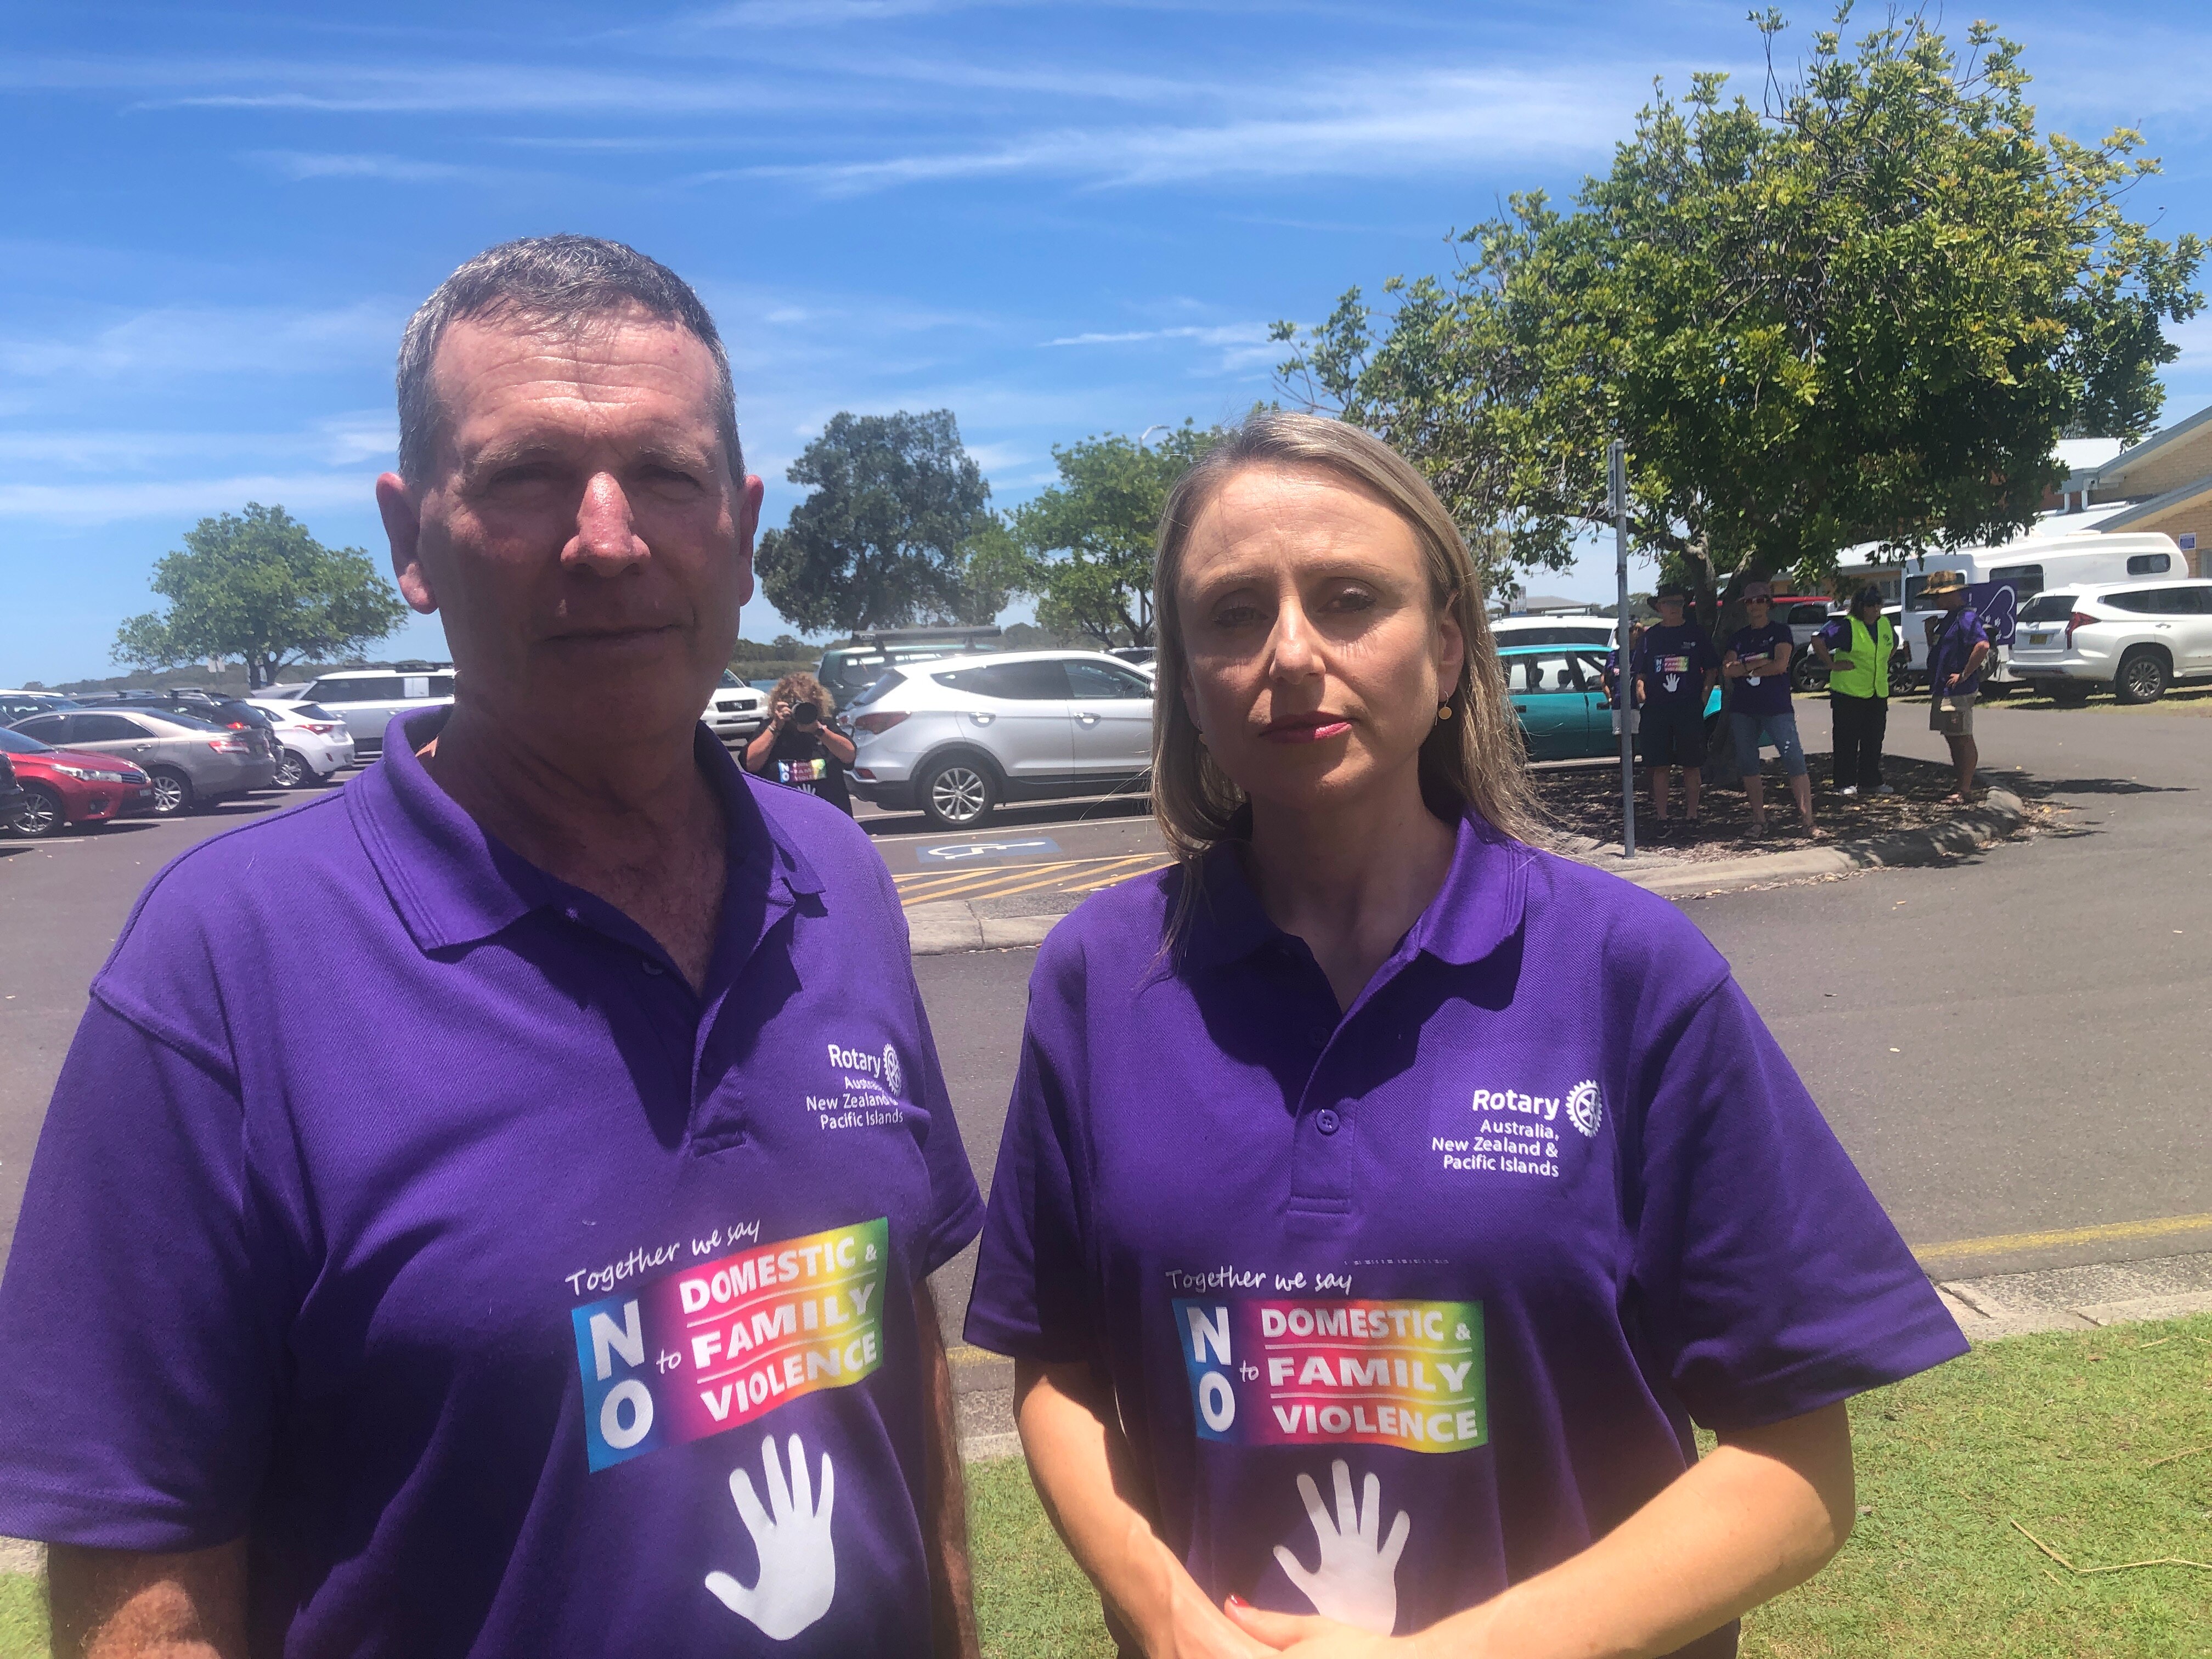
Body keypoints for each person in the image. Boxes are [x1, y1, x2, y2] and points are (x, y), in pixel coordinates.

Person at [0, 237, 984, 1657]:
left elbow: (900, 1355)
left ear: (744, 524)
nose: (608, 534)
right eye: (525, 476)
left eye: (666, 473)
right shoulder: (227, 969)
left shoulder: (832, 871)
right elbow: (141, 1591)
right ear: (410, 537)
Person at [963, 413, 1964, 1659]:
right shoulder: (1101, 978)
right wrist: (1166, 1617)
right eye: (1232, 612)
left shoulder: (1631, 971)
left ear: (1446, 652)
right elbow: (1057, 1370)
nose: (1290, 653)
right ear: (1187, 673)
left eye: (1347, 599)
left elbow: (1799, 1466)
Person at [1723, 583, 1818, 837]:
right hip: (1744, 709)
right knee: (1748, 763)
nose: (1754, 606)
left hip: (1776, 708)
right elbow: (1728, 669)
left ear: (1769, 603)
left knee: (1794, 759)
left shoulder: (1780, 631)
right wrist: (1757, 662)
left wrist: (1745, 667)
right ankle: (1759, 820)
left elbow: (1781, 665)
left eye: (1759, 601)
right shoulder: (1739, 637)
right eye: (1749, 602)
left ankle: (1809, 822)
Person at [1633, 584, 1720, 830]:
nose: (1675, 608)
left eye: (1679, 603)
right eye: (1669, 604)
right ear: (1659, 607)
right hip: (1657, 710)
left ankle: (1692, 816)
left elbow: (1712, 669)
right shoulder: (1650, 637)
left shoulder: (1696, 634)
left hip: (1688, 707)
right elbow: (1640, 672)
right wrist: (1641, 690)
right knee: (1659, 765)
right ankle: (1663, 817)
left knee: (1691, 764)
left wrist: (1703, 699)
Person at [1811, 586, 1897, 798]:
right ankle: (1844, 782)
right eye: (1871, 605)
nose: (1876, 609)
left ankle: (1871, 781)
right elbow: (1818, 640)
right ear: (1860, 606)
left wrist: (1883, 662)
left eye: (1879, 605)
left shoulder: (1885, 623)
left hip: (1877, 692)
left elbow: (1893, 644)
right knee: (1846, 739)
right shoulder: (1846, 626)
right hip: (1848, 692)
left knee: (1874, 738)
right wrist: (1832, 665)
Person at [1921, 569, 1991, 801]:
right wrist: (1930, 632)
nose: (1935, 601)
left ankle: (1965, 789)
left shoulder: (1966, 617)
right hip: (1944, 688)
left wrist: (1964, 674)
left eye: (1937, 596)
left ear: (1951, 594)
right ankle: (1960, 784)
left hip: (1958, 690)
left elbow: (1982, 645)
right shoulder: (1949, 619)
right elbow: (1940, 650)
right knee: (1952, 736)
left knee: (1962, 737)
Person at [745, 670, 856, 815]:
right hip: (785, 817)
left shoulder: (825, 726)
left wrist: (819, 731)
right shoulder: (771, 729)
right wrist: (775, 727)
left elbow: (849, 755)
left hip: (829, 815)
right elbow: (751, 764)